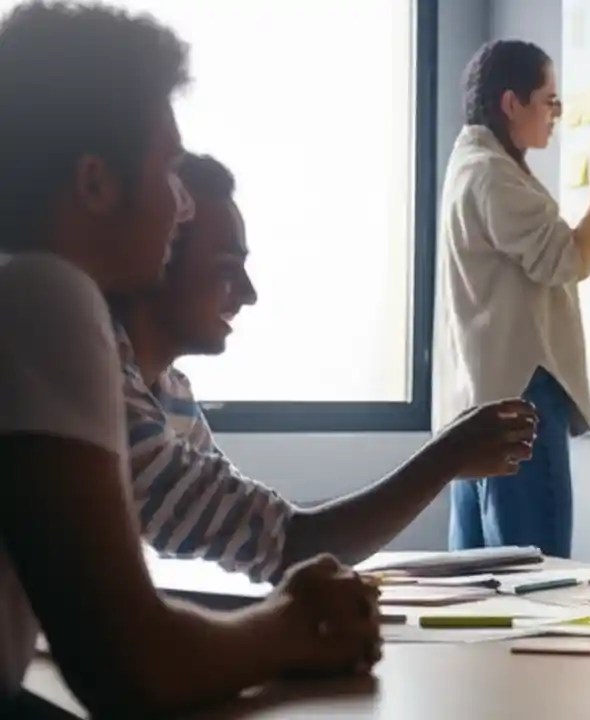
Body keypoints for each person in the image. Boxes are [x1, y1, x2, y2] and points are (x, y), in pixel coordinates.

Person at [0, 3, 378, 715]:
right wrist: (295, 623)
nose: (180, 206)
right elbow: (134, 665)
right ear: (94, 183)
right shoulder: (43, 294)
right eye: (170, 169)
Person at [110, 152, 539, 583]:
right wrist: (445, 458)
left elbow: (253, 528)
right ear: (153, 256)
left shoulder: (173, 397)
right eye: (227, 268)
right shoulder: (104, 392)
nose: (249, 293)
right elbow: (291, 545)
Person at [435, 39, 590, 557]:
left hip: (480, 404)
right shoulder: (492, 176)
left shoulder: (471, 165)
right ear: (510, 103)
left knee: (484, 590)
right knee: (537, 584)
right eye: (549, 101)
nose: (555, 116)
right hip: (520, 397)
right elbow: (573, 259)